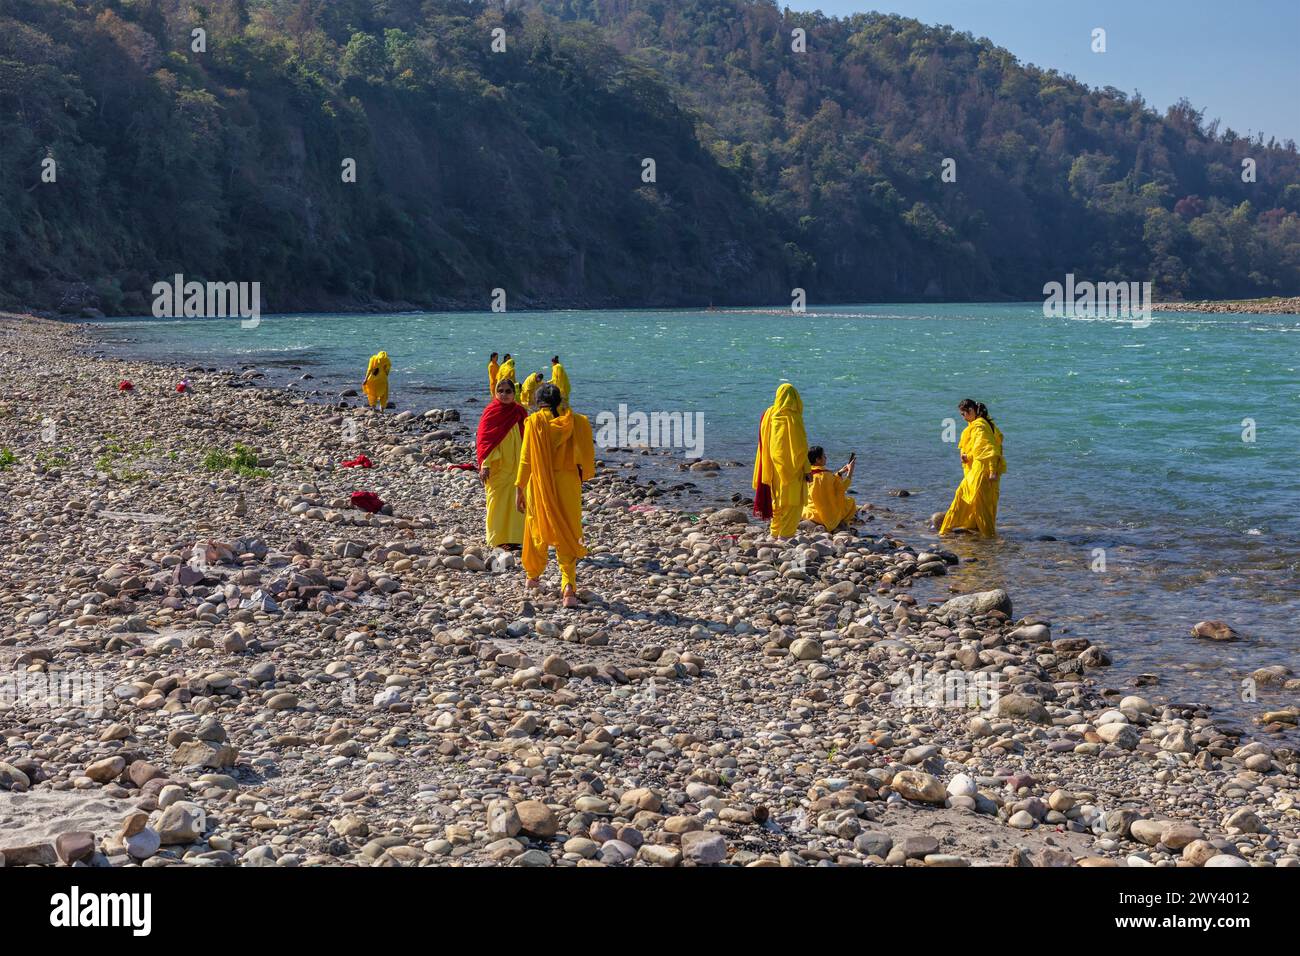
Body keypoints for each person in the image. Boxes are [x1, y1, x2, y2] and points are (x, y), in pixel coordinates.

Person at [516, 383, 595, 608]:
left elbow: (526, 459)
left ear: (537, 401)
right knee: (567, 530)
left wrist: (519, 488)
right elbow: (585, 456)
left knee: (537, 525)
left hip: (540, 481)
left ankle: (533, 577)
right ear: (560, 400)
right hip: (568, 482)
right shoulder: (577, 421)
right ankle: (568, 587)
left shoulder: (533, 423)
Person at [939, 399, 1006, 538]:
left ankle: (946, 531)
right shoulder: (987, 424)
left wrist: (993, 471)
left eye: (963, 414)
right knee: (982, 504)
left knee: (966, 498)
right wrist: (968, 456)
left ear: (971, 411)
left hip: (982, 472)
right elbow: (982, 447)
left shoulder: (979, 426)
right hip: (983, 470)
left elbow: (990, 450)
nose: (963, 418)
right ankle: (982, 534)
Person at [752, 383, 810, 538]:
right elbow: (800, 449)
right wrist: (807, 469)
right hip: (792, 468)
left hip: (772, 467)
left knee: (777, 501)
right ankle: (786, 535)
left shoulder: (769, 413)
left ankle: (774, 532)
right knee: (793, 504)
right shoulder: (793, 417)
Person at [477, 377, 528, 548]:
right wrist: (485, 464)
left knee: (517, 501)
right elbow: (484, 441)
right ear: (495, 392)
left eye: (508, 391)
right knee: (496, 503)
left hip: (517, 465)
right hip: (497, 467)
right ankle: (497, 539)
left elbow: (527, 436)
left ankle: (515, 539)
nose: (504, 395)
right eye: (501, 391)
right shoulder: (491, 411)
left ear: (514, 393)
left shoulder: (519, 411)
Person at [802, 446, 857, 532]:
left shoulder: (807, 473)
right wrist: (850, 472)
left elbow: (826, 482)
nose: (826, 457)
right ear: (818, 459)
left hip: (810, 513)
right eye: (824, 456)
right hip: (825, 516)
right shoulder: (826, 475)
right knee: (851, 502)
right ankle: (838, 525)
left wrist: (840, 472)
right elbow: (842, 488)